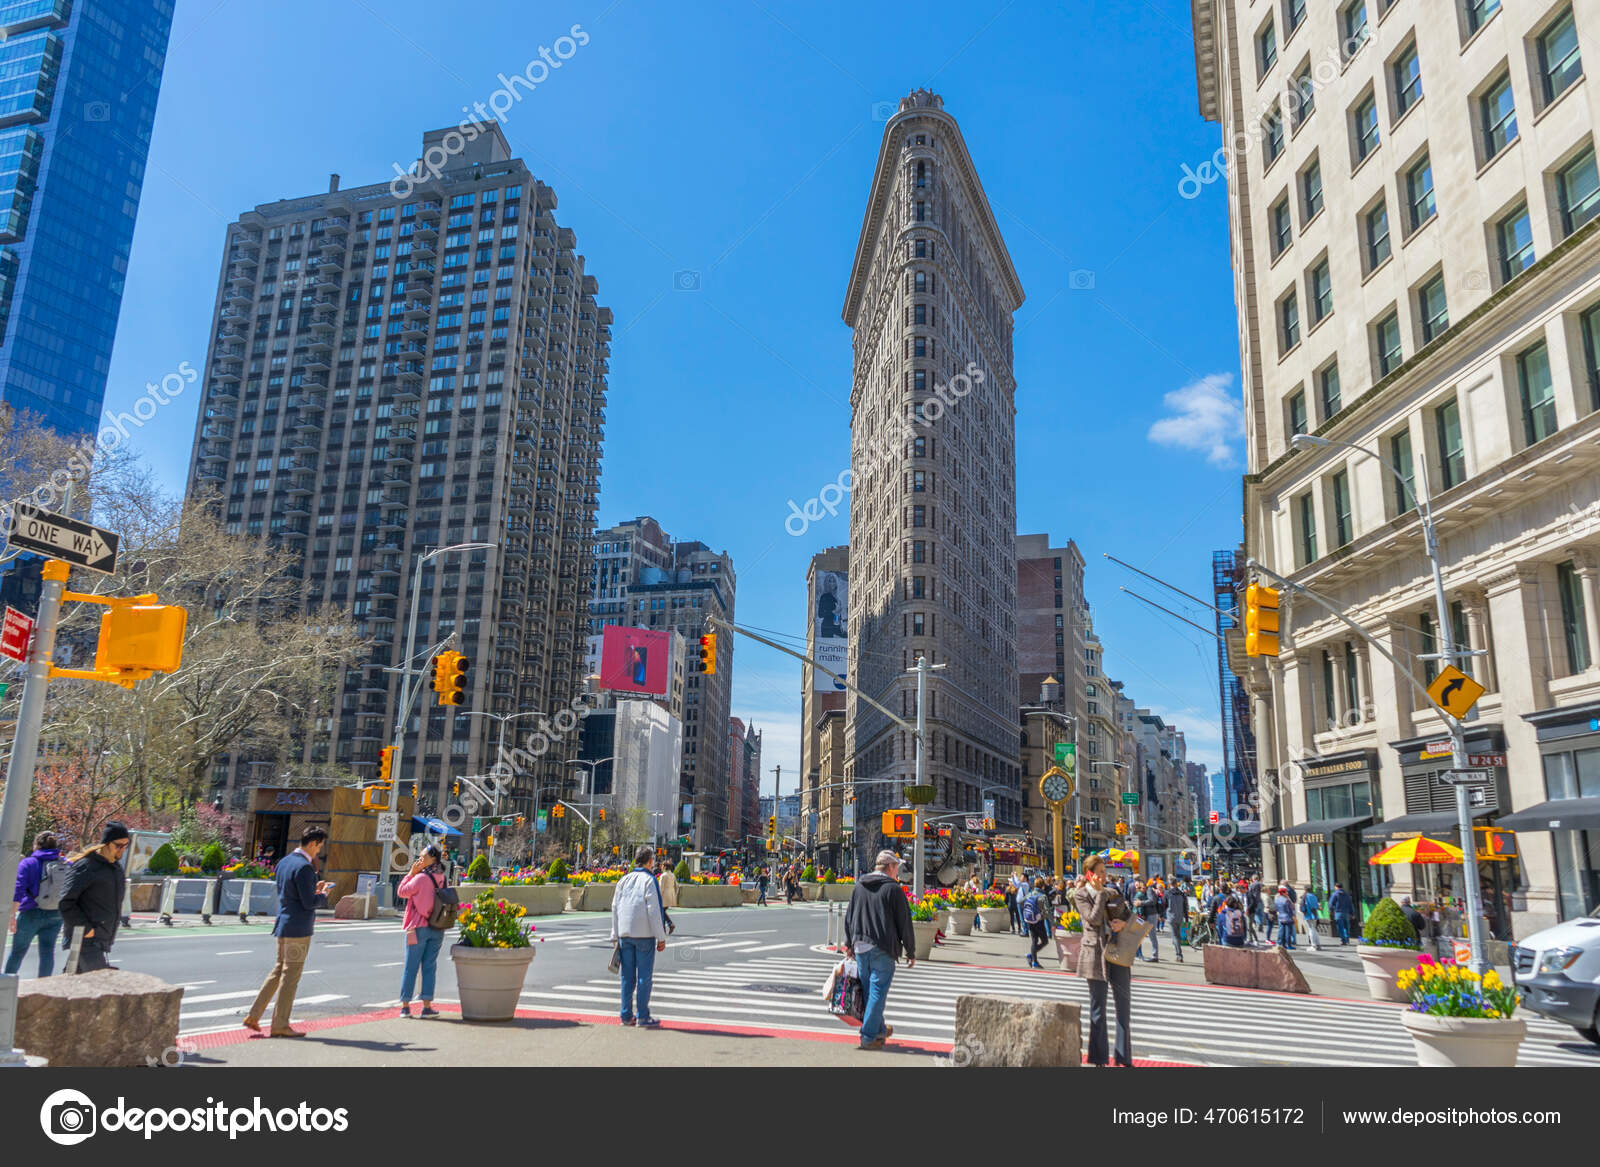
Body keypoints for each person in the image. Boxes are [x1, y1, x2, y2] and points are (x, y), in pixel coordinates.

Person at [242, 825, 333, 1037]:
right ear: (312, 843)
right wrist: (323, 894)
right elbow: (309, 902)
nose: (319, 851)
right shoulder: (304, 867)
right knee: (290, 977)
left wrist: (313, 890)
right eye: (319, 846)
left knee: (278, 971)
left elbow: (291, 892)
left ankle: (254, 1015)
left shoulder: (284, 862)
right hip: (298, 928)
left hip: (283, 923)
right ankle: (280, 1024)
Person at [843, 850, 916, 1050]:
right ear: (890, 867)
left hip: (860, 947)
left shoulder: (859, 886)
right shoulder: (893, 889)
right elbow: (904, 923)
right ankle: (868, 1036)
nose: (897, 872)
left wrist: (849, 943)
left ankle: (880, 1030)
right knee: (876, 992)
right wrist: (910, 951)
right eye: (897, 868)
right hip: (882, 947)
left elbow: (849, 916)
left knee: (869, 992)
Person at [1074, 855, 1132, 1067]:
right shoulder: (1080, 895)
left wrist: (1122, 924)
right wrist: (1099, 894)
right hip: (1095, 954)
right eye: (1099, 872)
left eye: (1104, 872)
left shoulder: (1114, 892)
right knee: (1097, 1008)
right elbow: (1094, 919)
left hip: (1117, 952)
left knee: (1123, 1006)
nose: (1103, 876)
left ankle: (1123, 1056)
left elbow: (1131, 914)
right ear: (1089, 874)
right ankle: (1098, 1058)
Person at [58, 822, 131, 973]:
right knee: (100, 984)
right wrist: (86, 929)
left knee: (73, 984)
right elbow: (66, 902)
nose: (123, 849)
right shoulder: (86, 866)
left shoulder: (115, 868)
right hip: (86, 938)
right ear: (106, 843)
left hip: (101, 937)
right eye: (119, 845)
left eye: (126, 845)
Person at [611, 847, 669, 1027]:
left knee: (627, 977)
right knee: (644, 976)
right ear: (650, 861)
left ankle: (626, 1015)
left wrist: (615, 934)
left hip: (624, 934)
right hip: (644, 935)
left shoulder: (623, 880)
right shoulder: (649, 880)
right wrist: (661, 936)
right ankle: (643, 1016)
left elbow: (614, 907)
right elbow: (653, 910)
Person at [396, 845, 448, 1018]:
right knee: (429, 966)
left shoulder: (420, 878)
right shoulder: (443, 878)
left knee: (411, 967)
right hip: (437, 927)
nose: (420, 859)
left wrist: (411, 872)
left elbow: (401, 892)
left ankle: (405, 1006)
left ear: (433, 858)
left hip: (417, 927)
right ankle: (426, 1006)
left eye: (423, 856)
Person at [6, 830, 65, 977]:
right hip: (56, 913)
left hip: (31, 913)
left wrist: (12, 915)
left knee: (17, 952)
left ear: (36, 845)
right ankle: (43, 988)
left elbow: (18, 890)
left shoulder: (28, 863)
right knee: (47, 952)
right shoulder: (65, 864)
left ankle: (5, 987)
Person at [1022, 877, 1050, 968]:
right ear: (1043, 886)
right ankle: (1033, 958)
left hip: (1030, 920)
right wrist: (1042, 916)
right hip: (1039, 921)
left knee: (1034, 940)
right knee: (1045, 941)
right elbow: (1047, 911)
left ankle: (1034, 960)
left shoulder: (1030, 894)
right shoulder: (1043, 896)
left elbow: (1021, 902)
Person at [1165, 878, 1187, 962]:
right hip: (1179, 916)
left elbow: (1164, 904)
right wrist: (1186, 918)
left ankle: (1179, 954)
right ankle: (1177, 948)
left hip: (1171, 916)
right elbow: (1185, 906)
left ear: (1170, 884)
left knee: (1175, 936)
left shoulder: (1168, 893)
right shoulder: (1181, 893)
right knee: (1177, 935)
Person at [1300, 884, 1322, 951]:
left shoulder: (1306, 896)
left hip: (1309, 914)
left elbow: (1303, 906)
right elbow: (1316, 905)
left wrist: (1303, 911)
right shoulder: (1313, 896)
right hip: (1314, 914)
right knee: (1314, 930)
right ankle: (1317, 944)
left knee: (1311, 930)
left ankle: (1313, 945)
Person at [1274, 884, 1296, 949]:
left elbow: (1276, 908)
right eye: (1286, 891)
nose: (1287, 893)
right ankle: (1289, 945)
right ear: (1283, 893)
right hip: (1287, 917)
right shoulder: (1286, 900)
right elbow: (1290, 910)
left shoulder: (1277, 900)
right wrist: (1293, 917)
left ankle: (1283, 944)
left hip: (1281, 917)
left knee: (1282, 931)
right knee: (1288, 932)